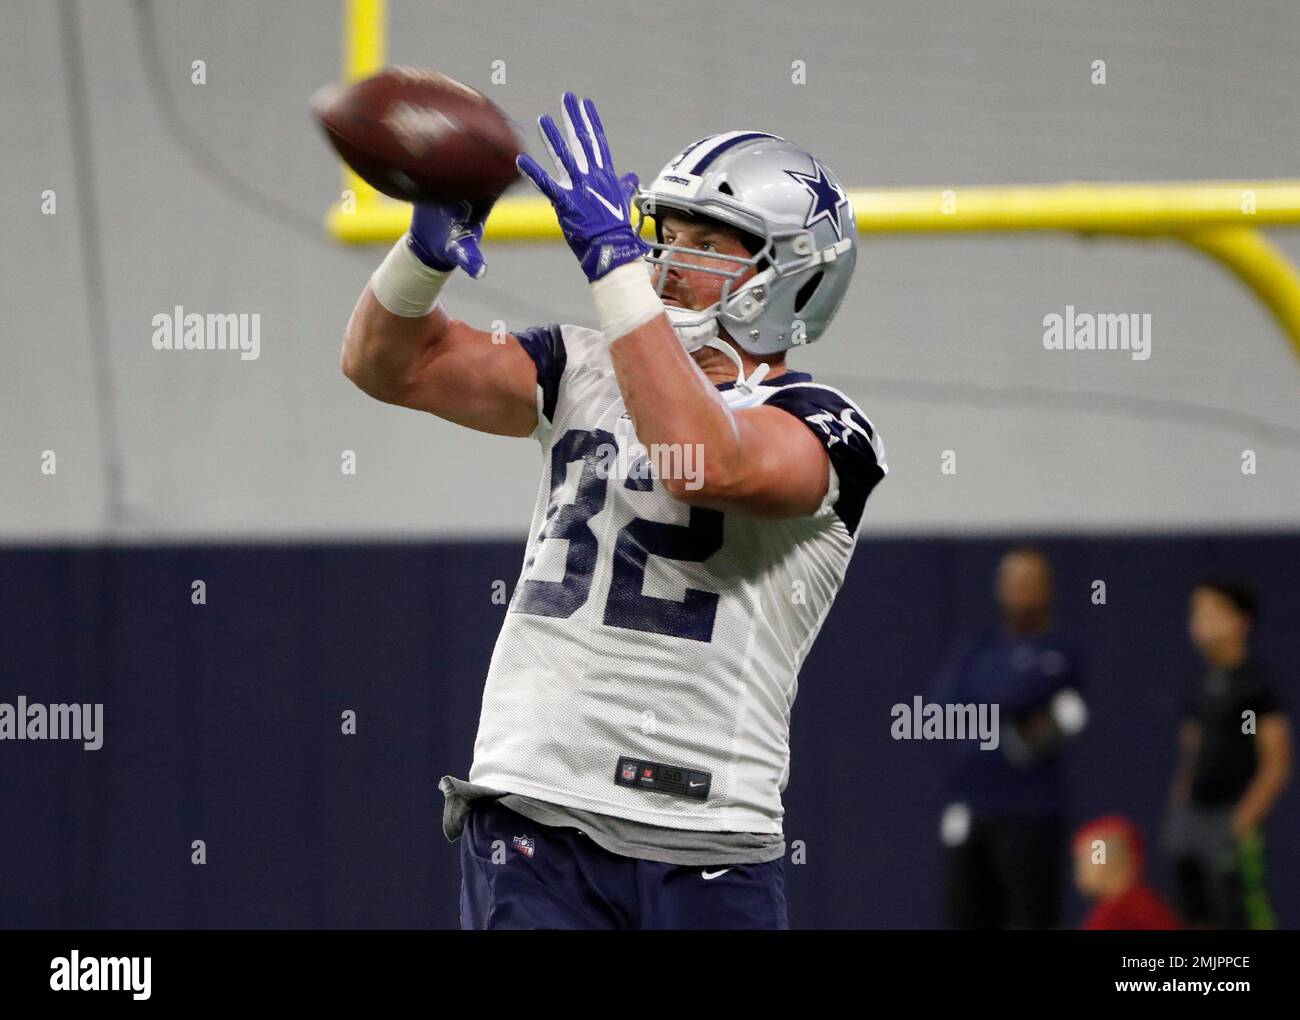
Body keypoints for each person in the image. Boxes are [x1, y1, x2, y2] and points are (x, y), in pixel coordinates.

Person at [341, 91, 887, 929]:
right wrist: (422, 255)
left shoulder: (826, 425)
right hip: (535, 811)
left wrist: (611, 266)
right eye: (665, 237)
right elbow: (387, 366)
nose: (665, 263)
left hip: (708, 835)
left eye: (705, 246)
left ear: (793, 275)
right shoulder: (581, 364)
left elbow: (703, 460)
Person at [935, 547, 1087, 929]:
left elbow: (1021, 693)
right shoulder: (978, 648)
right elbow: (947, 703)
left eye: (1028, 583)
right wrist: (1012, 714)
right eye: (1012, 582)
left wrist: (997, 704)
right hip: (971, 809)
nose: (1019, 591)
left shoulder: (1061, 650)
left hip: (1031, 814)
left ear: (1047, 590)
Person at [1164, 579, 1291, 929]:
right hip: (1192, 819)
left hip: (1232, 819)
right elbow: (1191, 750)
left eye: (1213, 611)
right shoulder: (1198, 683)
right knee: (1191, 913)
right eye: (1196, 612)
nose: (1201, 620)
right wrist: (1181, 809)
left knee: (1241, 911)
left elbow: (1276, 764)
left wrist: (1241, 823)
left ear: (1241, 621)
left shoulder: (1256, 685)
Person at [1073, 815, 1179, 930]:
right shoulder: (1144, 906)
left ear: (1112, 861)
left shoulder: (1124, 913)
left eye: (1085, 859)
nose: (1080, 869)